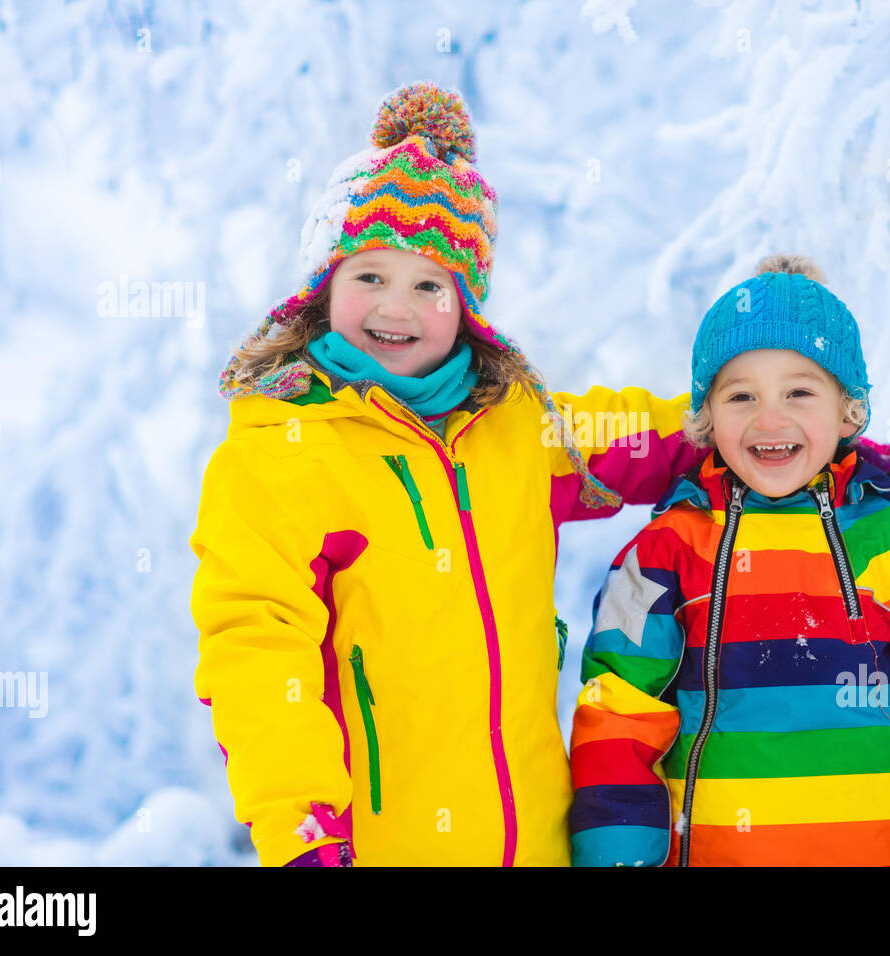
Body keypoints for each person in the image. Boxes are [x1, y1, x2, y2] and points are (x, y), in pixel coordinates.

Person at [189, 82, 707, 866]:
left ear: (465, 303)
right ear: (323, 286)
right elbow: (256, 655)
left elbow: (633, 436)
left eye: (428, 284)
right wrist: (303, 828)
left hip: (535, 845)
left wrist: (750, 423)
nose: (395, 308)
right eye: (369, 275)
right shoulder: (279, 450)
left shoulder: (514, 429)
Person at [568, 254, 890, 866]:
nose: (770, 418)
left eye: (800, 392)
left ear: (848, 411)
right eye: (740, 396)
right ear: (705, 419)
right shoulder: (664, 556)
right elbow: (616, 716)